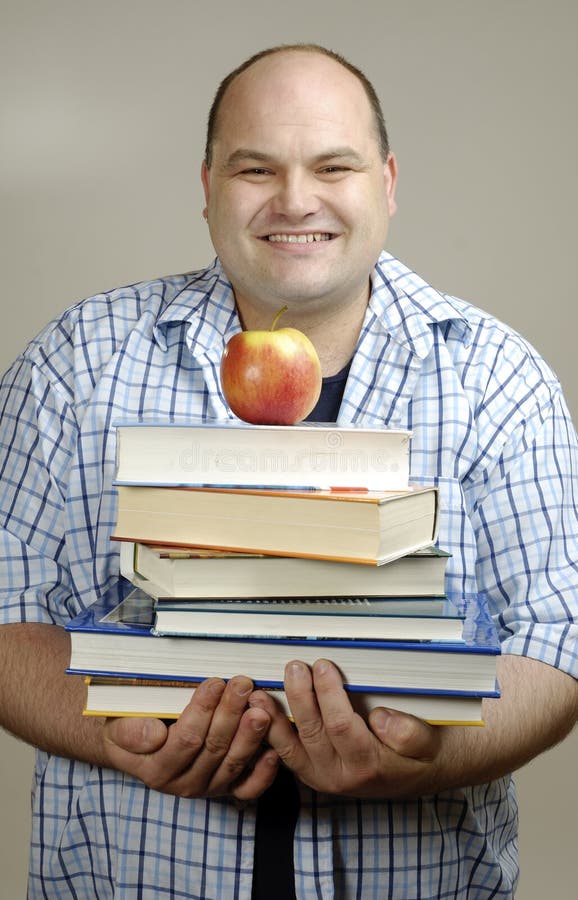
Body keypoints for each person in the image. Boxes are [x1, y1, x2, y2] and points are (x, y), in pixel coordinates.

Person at [0, 42, 577, 900]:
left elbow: (558, 637)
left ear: (387, 183)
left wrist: (434, 756)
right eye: (255, 168)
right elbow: (5, 613)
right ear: (208, 187)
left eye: (333, 166)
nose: (296, 200)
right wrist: (107, 733)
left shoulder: (498, 378)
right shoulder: (76, 362)